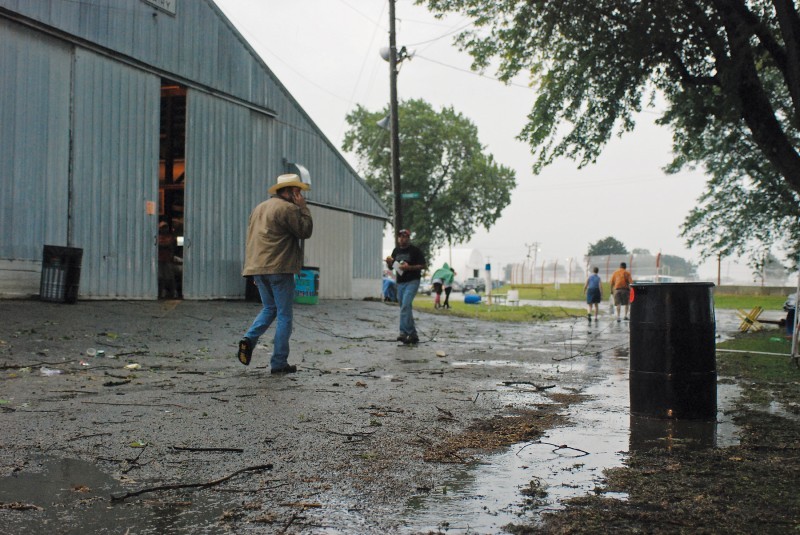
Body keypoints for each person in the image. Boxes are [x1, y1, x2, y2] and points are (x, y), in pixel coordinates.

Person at [238, 174, 313, 373]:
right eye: (297, 192)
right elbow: (305, 231)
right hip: (279, 268)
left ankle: (249, 339)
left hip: (258, 268)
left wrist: (253, 271)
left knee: (269, 308)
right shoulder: (287, 209)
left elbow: (252, 239)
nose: (299, 195)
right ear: (289, 191)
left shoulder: (258, 208)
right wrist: (303, 208)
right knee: (284, 315)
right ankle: (279, 363)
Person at [385, 229, 426, 344]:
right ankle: (412, 334)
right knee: (404, 307)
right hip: (400, 282)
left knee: (406, 305)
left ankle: (403, 333)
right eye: (400, 237)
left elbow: (423, 265)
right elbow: (391, 267)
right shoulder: (396, 251)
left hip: (412, 281)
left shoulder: (415, 251)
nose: (402, 239)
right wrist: (389, 263)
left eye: (405, 237)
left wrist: (409, 268)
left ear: (408, 238)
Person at [157, 219, 178, 299]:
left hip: (167, 259)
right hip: (160, 259)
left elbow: (165, 244)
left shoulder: (170, 237)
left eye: (165, 227)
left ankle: (172, 292)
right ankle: (163, 292)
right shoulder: (162, 237)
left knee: (169, 277)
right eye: (162, 227)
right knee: (161, 277)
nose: (163, 229)